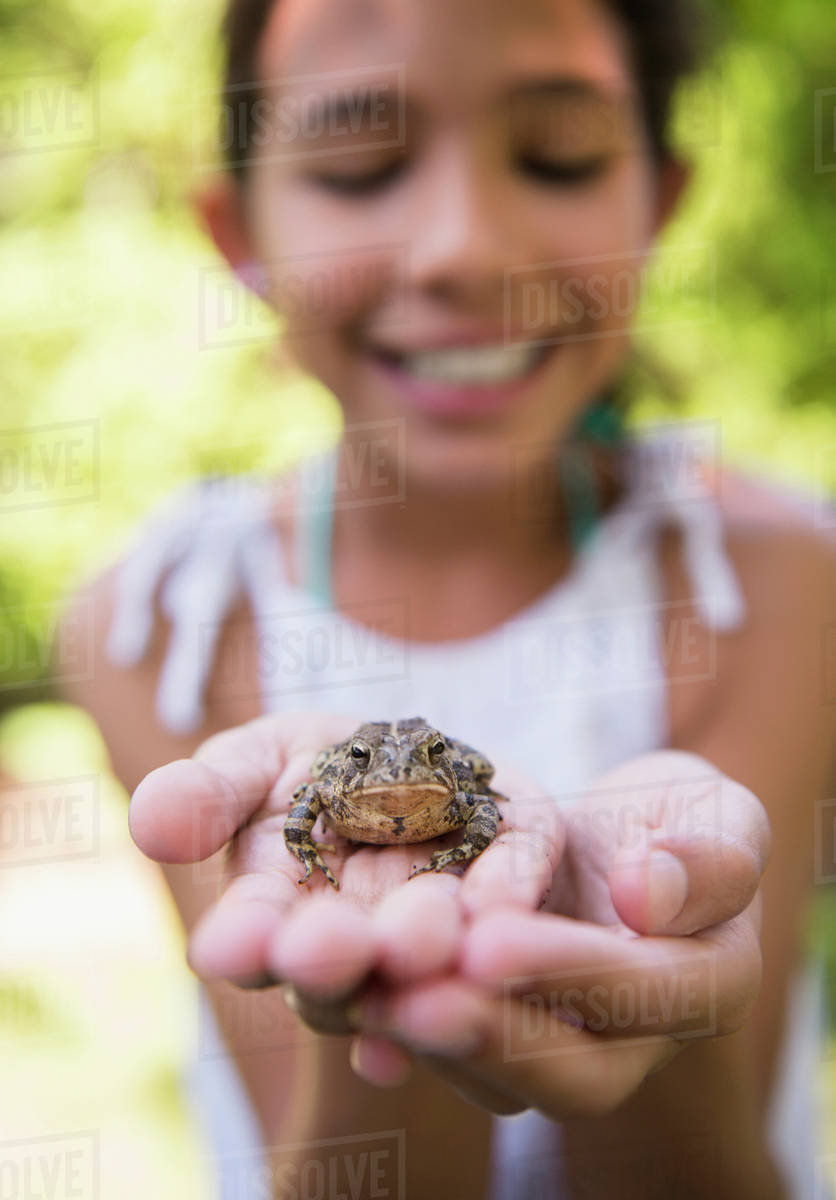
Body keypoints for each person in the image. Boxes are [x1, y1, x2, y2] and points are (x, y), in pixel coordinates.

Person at [60, 0, 835, 1195]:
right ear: (241, 235)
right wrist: (395, 1002)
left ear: (659, 204)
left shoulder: (773, 578)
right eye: (358, 170)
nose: (462, 250)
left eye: (557, 157)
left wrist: (655, 978)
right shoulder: (167, 621)